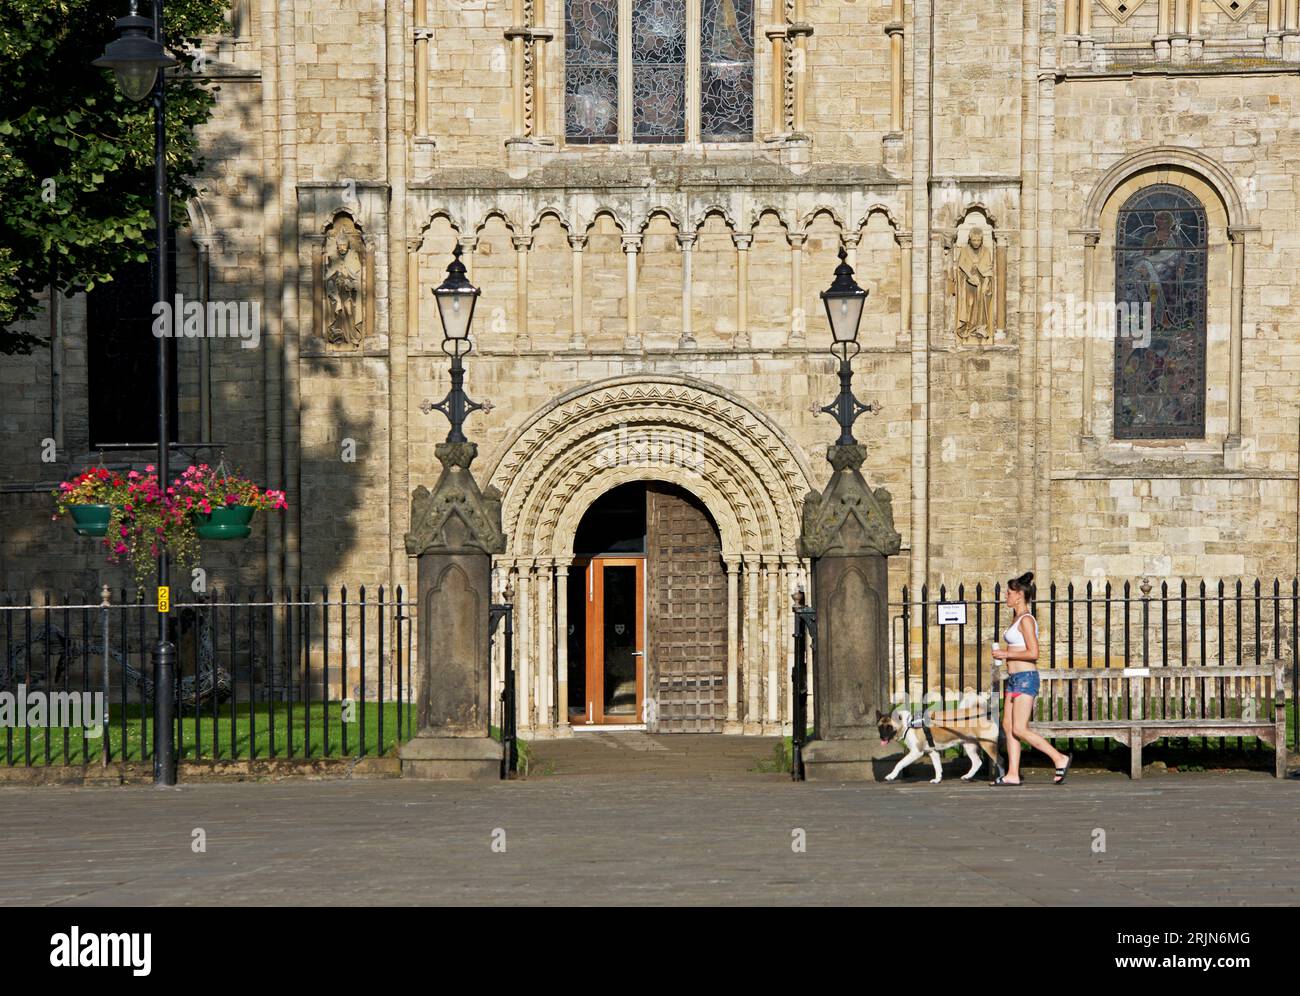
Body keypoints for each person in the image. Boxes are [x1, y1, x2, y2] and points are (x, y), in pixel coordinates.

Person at [991, 571, 1072, 785]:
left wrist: (1005, 654)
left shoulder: (1026, 619)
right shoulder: (1016, 618)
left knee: (1019, 728)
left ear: (1019, 595)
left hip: (1026, 678)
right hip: (1014, 679)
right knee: (1008, 726)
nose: (1006, 597)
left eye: (1009, 593)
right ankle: (1012, 774)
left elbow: (1033, 653)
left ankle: (1059, 758)